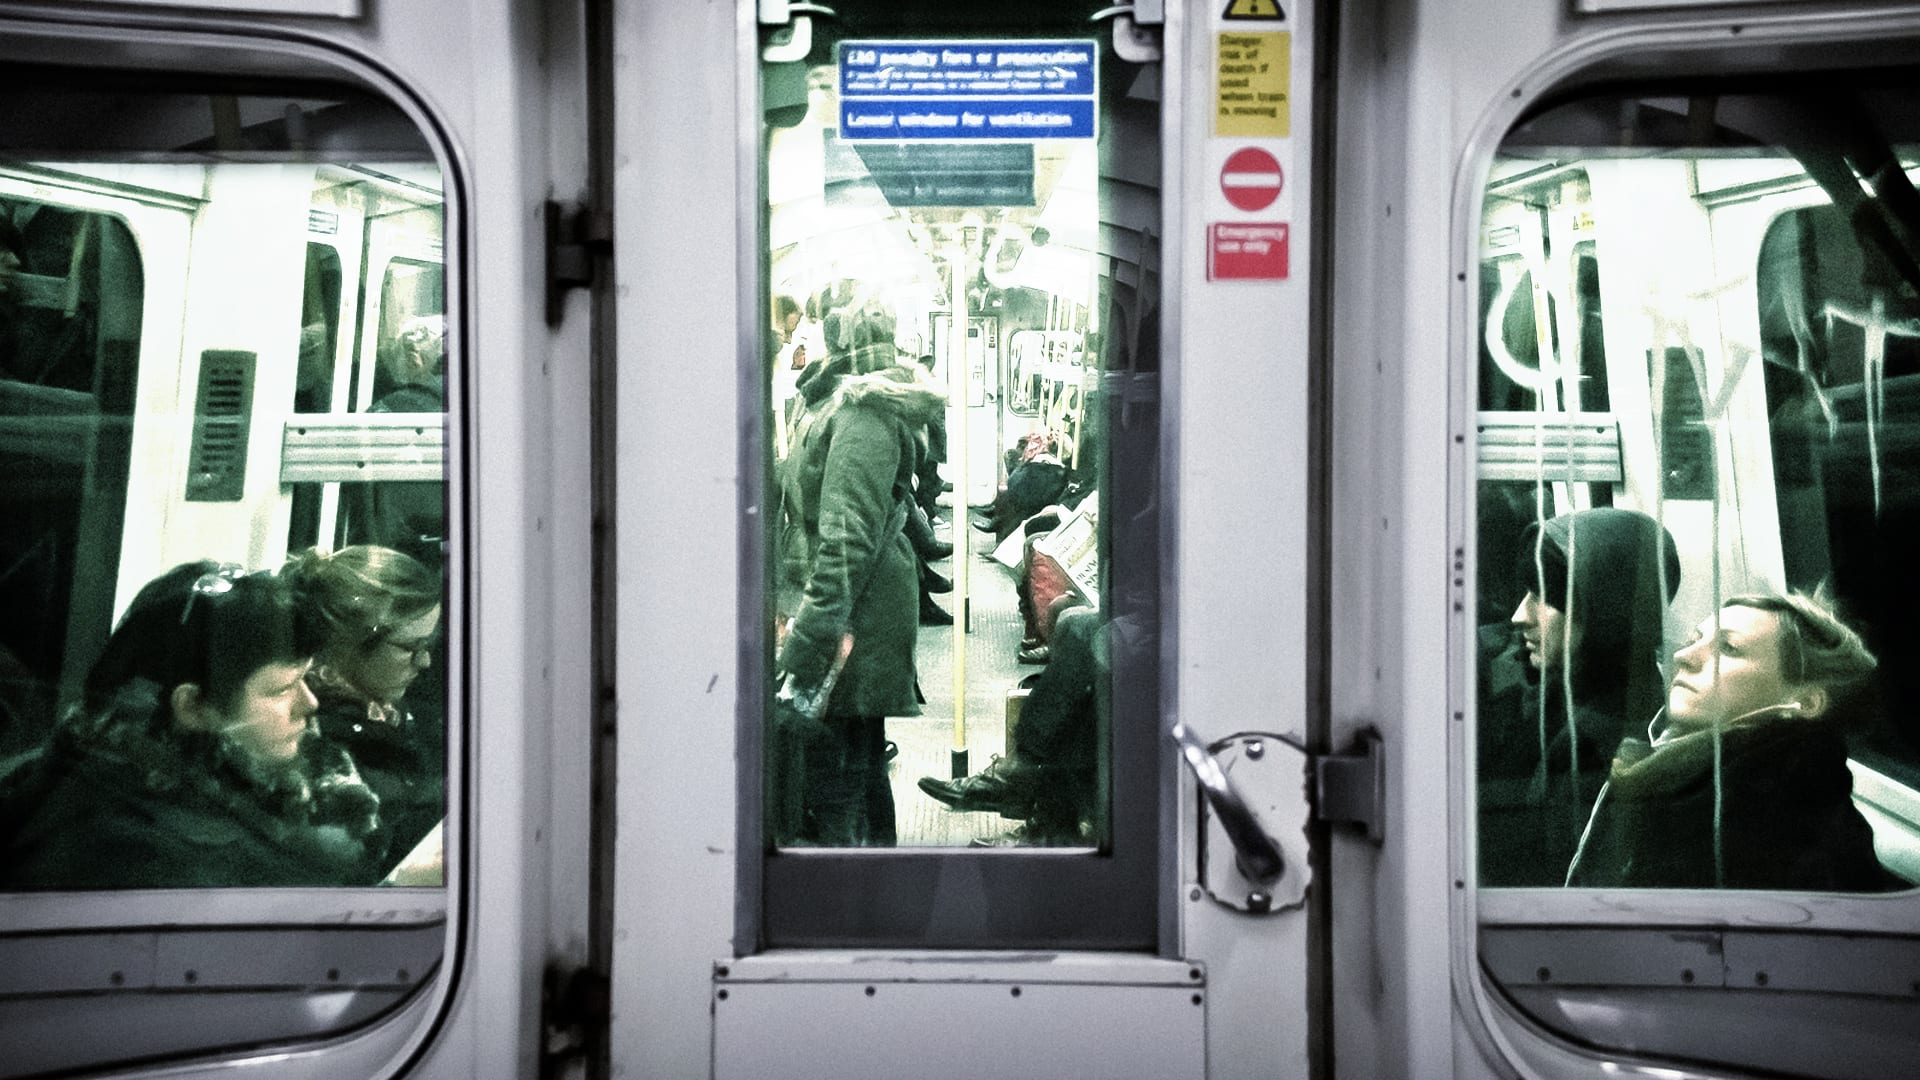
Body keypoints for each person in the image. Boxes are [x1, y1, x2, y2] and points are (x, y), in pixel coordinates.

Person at [0, 562, 380, 889]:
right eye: (281, 689)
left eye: (306, 679)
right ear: (193, 707)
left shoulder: (92, 762)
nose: (309, 704)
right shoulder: (152, 857)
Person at [1565, 592, 1894, 890]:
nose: (1684, 655)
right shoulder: (1678, 777)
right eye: (1694, 638)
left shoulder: (1776, 832)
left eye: (1729, 648)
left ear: (1805, 703)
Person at [774, 297, 945, 846]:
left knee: (836, 781)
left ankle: (851, 901)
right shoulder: (837, 403)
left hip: (854, 619)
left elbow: (846, 539)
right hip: (853, 610)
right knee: (860, 765)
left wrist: (807, 643)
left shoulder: (863, 412)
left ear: (841, 340)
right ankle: (880, 892)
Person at [1479, 508, 1680, 886]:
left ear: (1607, 610)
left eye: (1544, 597)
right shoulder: (1554, 699)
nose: (1520, 615)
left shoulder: (1599, 745)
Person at [282, 545, 444, 876]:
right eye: (410, 648)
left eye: (427, 647)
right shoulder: (317, 738)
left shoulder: (388, 715)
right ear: (343, 643)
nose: (424, 662)